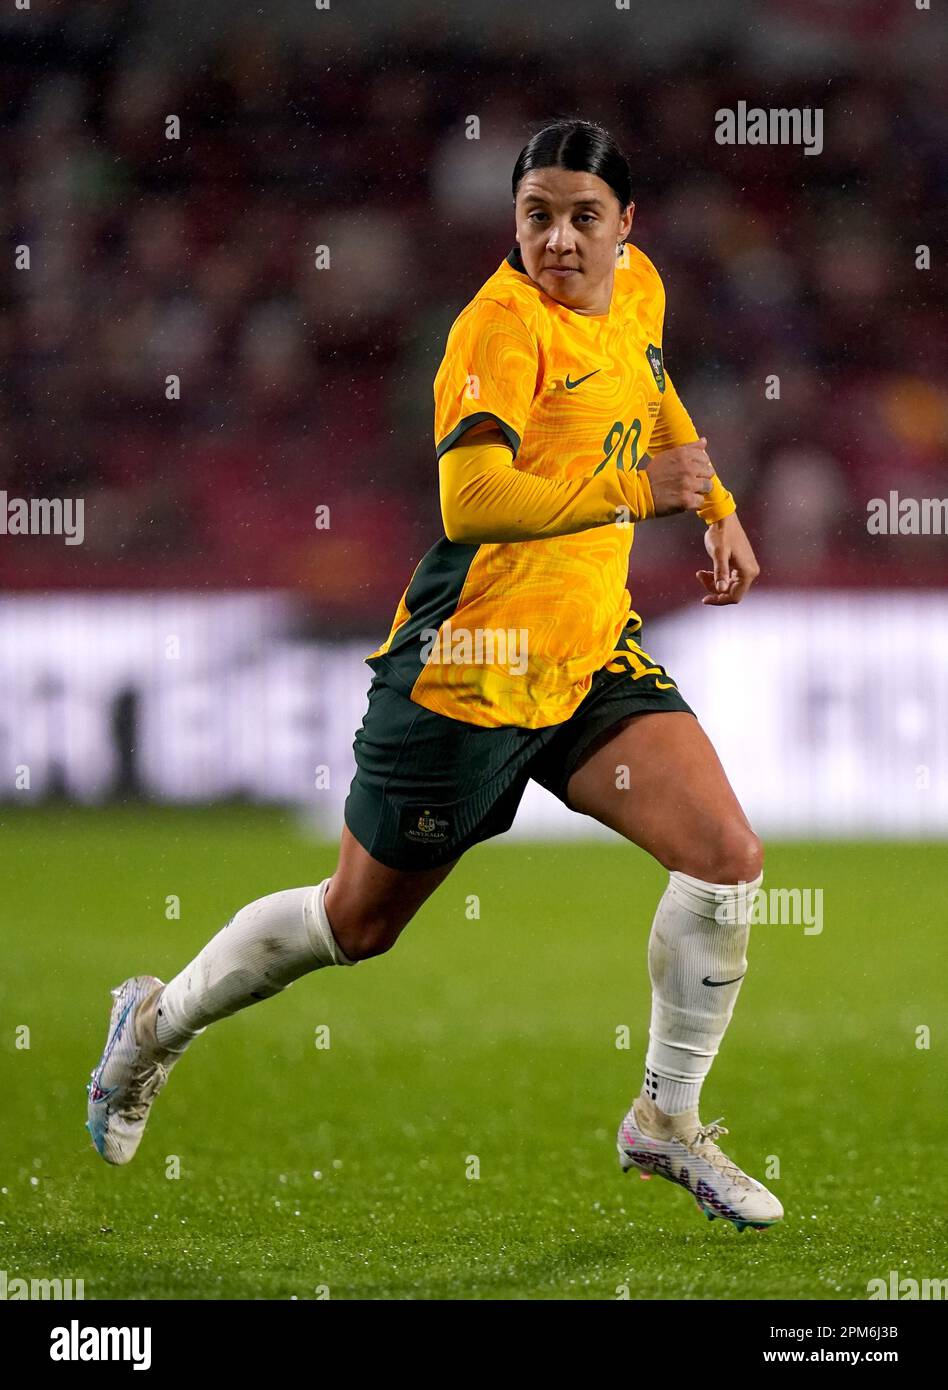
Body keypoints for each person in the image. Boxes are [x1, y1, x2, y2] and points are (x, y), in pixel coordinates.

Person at [87, 119, 780, 1233]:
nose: (558, 239)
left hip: (587, 655)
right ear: (514, 221)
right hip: (466, 674)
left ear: (625, 227)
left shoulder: (636, 286)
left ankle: (666, 1119)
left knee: (727, 860)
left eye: (581, 217)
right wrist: (640, 494)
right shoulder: (497, 330)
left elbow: (649, 392)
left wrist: (716, 503)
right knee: (355, 924)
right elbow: (473, 500)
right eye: (536, 216)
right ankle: (155, 1026)